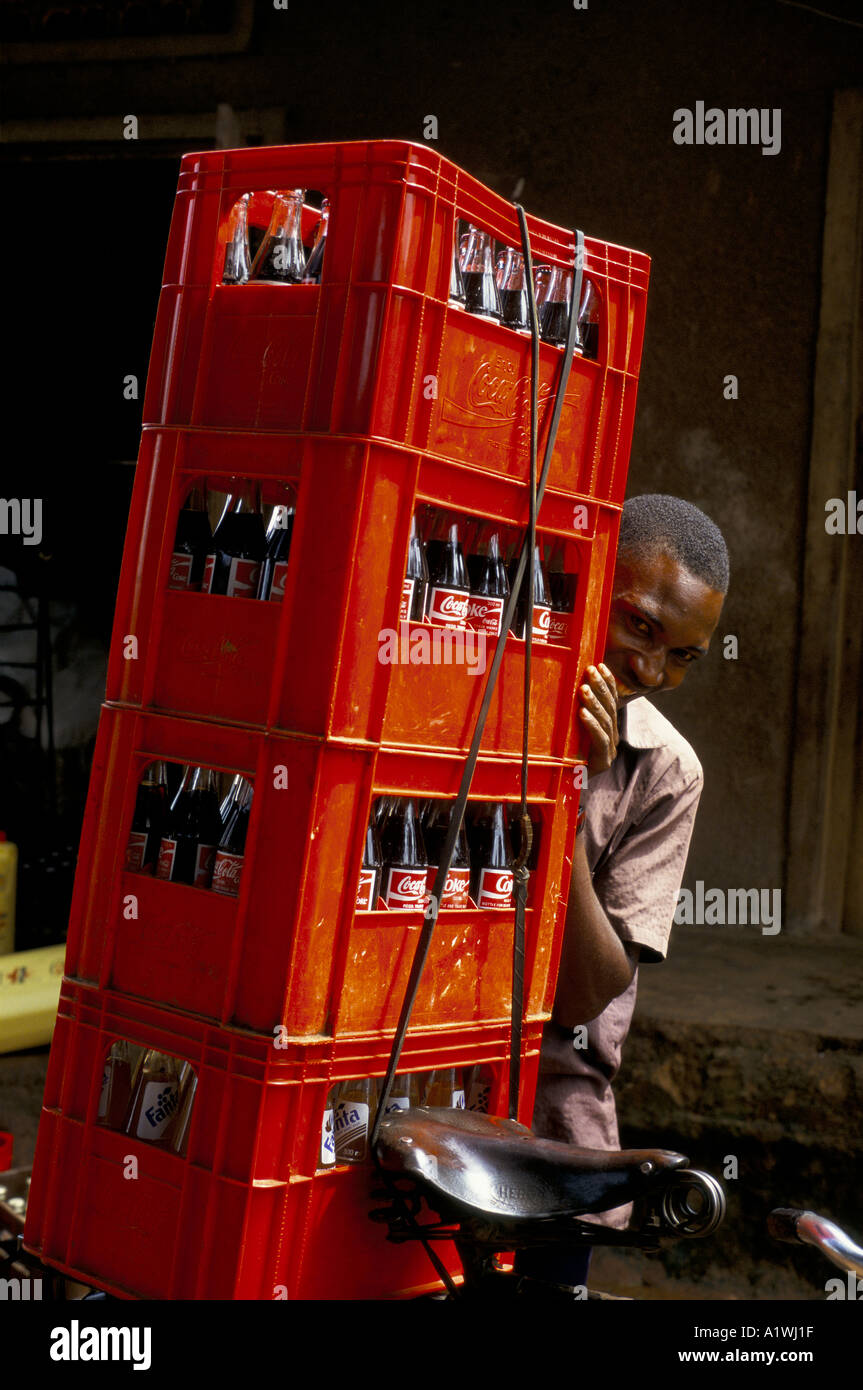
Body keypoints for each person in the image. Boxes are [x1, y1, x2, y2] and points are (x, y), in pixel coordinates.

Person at [522, 493, 730, 1290]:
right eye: (639, 626)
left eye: (682, 655)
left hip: (546, 1142)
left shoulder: (666, 773)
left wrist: (566, 796)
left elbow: (582, 996)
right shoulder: (476, 699)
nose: (651, 671)